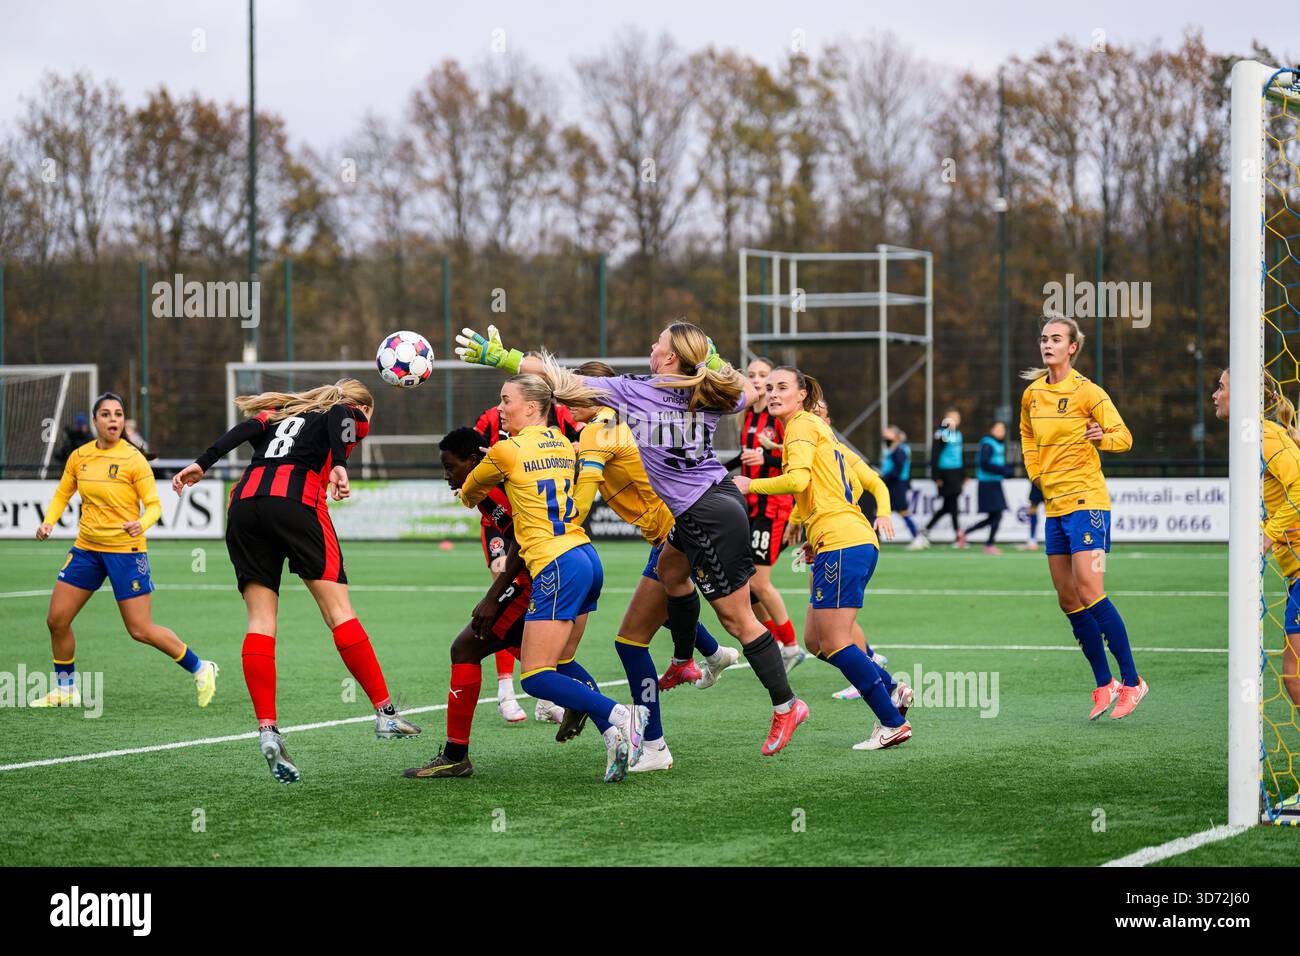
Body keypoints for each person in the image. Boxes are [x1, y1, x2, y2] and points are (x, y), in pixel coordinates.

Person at [456, 322, 808, 756]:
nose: (651, 344)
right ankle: (681, 670)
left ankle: (786, 703)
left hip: (705, 515)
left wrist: (507, 358)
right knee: (662, 585)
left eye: (657, 341)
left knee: (739, 620)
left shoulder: (636, 392)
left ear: (671, 357)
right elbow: (746, 393)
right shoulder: (707, 390)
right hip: (701, 510)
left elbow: (562, 379)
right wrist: (715, 362)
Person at [172, 379, 421, 784]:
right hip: (296, 502)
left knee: (260, 621)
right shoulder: (346, 412)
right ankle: (385, 714)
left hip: (245, 505)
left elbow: (247, 428)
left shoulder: (281, 415)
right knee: (339, 612)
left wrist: (204, 462)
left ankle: (268, 728)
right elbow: (342, 414)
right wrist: (339, 462)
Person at [454, 374, 647, 783]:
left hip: (555, 564)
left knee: (538, 676)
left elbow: (469, 492)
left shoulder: (506, 449)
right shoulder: (561, 441)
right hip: (586, 556)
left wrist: (491, 463)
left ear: (530, 407)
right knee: (562, 662)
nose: (501, 408)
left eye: (506, 400)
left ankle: (620, 714)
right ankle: (614, 736)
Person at [568, 361, 738, 773]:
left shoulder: (598, 428)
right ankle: (714, 654)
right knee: (662, 613)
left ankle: (655, 745)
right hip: (678, 530)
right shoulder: (614, 423)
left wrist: (562, 525)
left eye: (571, 390)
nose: (563, 399)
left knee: (631, 642)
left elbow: (586, 488)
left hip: (674, 535)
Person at [736, 367, 912, 750]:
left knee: (835, 641)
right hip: (840, 540)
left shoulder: (801, 426)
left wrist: (751, 484)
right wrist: (805, 524)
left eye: (782, 386)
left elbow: (797, 481)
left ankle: (891, 721)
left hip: (843, 541)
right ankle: (893, 690)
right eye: (769, 388)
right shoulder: (811, 432)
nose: (773, 393)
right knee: (816, 641)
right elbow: (815, 486)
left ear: (802, 396)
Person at [32, 392, 217, 709]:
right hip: (87, 549)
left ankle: (201, 668)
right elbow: (63, 493)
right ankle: (66, 689)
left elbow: (155, 506)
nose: (113, 419)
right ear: (95, 421)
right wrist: (48, 522)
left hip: (126, 552)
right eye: (106, 414)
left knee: (140, 629)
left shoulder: (133, 459)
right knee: (56, 620)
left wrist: (141, 524)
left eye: (118, 414)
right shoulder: (80, 457)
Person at [403, 427, 568, 779]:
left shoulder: (497, 486)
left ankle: (455, 756)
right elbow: (514, 538)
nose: (447, 477)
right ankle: (603, 710)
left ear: (474, 461)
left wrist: (492, 597)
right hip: (550, 571)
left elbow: (524, 543)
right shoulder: (484, 489)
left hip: (537, 577)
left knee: (466, 647)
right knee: (540, 657)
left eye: (451, 467)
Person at [1020, 317, 1144, 720]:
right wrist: (1035, 473)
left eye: (1056, 339)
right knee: (1068, 599)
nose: (1048, 344)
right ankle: (1103, 683)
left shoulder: (1087, 391)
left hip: (1088, 504)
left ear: (1073, 347)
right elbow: (1026, 436)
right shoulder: (1033, 394)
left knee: (1091, 590)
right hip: (1055, 507)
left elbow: (1124, 437)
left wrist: (1101, 438)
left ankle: (1132, 681)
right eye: (1044, 338)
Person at [474, 396, 582, 722]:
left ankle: (548, 692)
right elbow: (472, 450)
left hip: (538, 524)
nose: (505, 405)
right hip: (499, 522)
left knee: (537, 604)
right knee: (504, 590)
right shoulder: (491, 418)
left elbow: (580, 445)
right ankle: (506, 691)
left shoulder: (560, 416)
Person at [1212, 369, 1300, 714]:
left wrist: (1267, 536)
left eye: (1221, 387)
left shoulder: (1265, 435)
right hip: (1295, 574)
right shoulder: (1257, 436)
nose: (1214, 395)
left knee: (1293, 676)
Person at [724, 357, 803, 671]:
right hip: (751, 506)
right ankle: (775, 644)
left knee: (757, 581)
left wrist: (767, 456)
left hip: (774, 506)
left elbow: (793, 464)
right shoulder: (747, 415)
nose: (757, 381)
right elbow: (744, 461)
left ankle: (792, 645)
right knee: (746, 583)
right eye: (752, 375)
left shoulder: (780, 417)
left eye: (764, 377)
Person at [917, 409, 965, 549]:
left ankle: (926, 531)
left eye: (957, 418)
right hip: (946, 473)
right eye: (951, 418)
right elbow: (934, 454)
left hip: (956, 473)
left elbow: (959, 455)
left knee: (948, 506)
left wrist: (964, 474)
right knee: (951, 505)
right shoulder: (942, 434)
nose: (954, 420)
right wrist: (936, 476)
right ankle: (957, 536)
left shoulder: (958, 434)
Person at [962, 421, 1012, 555]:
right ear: (991, 430)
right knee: (997, 514)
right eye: (997, 428)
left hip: (994, 482)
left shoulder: (997, 444)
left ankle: (965, 533)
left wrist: (1003, 471)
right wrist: (1002, 470)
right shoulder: (988, 444)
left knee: (994, 516)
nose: (1001, 431)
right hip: (987, 484)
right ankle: (989, 544)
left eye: (1003, 429)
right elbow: (984, 464)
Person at [880, 425, 920, 547]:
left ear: (895, 436)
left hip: (896, 484)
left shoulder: (899, 450)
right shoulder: (892, 450)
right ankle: (917, 537)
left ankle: (917, 537)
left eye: (888, 434)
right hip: (893, 483)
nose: (885, 437)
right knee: (882, 511)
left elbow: (898, 469)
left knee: (900, 511)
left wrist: (885, 479)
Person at [1020, 481, 1045, 551]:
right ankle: (1032, 540)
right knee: (1033, 509)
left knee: (1051, 511)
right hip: (1041, 481)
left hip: (1046, 481)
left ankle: (1032, 540)